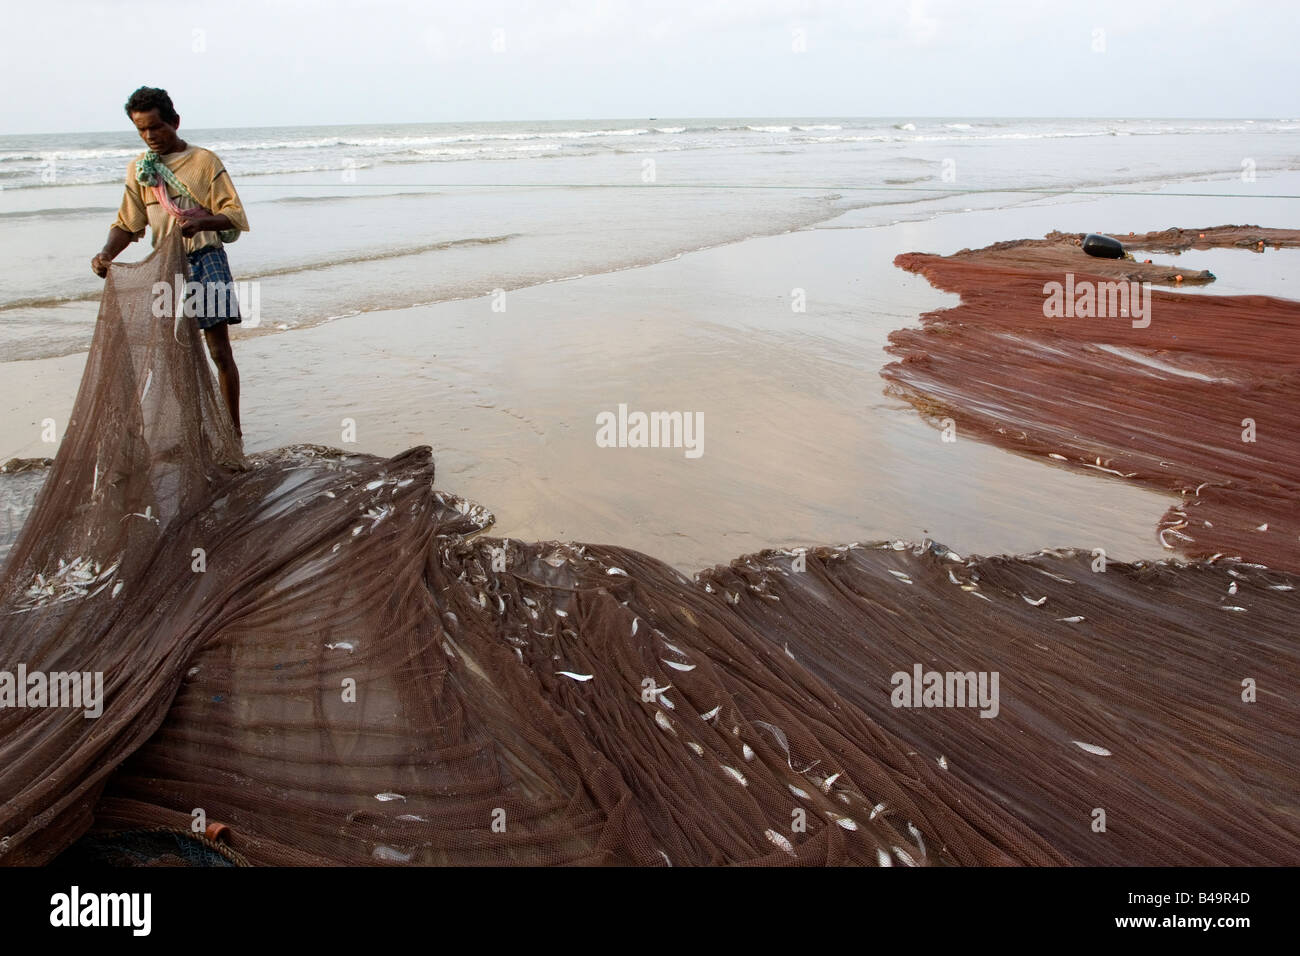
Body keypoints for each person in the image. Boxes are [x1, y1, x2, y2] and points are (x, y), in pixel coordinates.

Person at [91, 86, 250, 437]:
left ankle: (233, 432)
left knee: (218, 352)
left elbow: (234, 215)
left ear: (174, 122)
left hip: (206, 260)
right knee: (175, 353)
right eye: (141, 130)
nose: (150, 136)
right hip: (166, 268)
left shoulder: (204, 162)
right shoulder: (140, 170)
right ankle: (193, 431)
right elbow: (128, 223)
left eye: (156, 127)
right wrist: (106, 254)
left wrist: (202, 222)